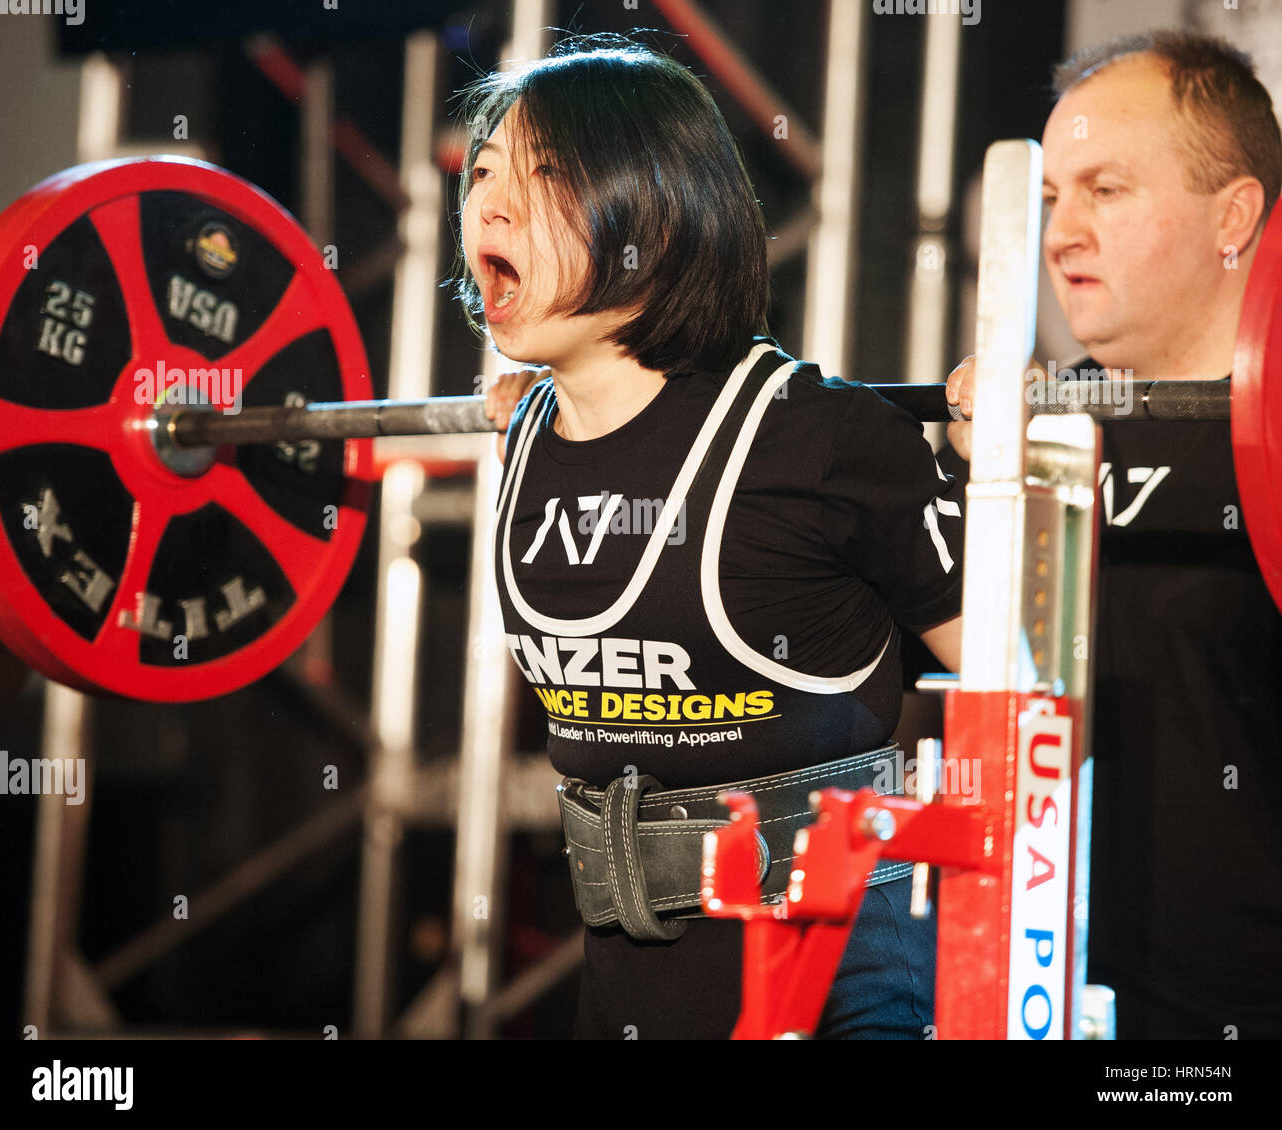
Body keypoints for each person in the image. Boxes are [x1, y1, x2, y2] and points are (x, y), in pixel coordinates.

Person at [457, 35, 963, 1039]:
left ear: (657, 208)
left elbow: (1028, 689)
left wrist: (1011, 477)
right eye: (481, 175)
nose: (489, 206)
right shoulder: (524, 436)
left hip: (840, 987)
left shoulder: (816, 437)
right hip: (625, 987)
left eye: (545, 175)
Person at [945, 30, 1282, 1039]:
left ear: (1233, 217)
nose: (1060, 233)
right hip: (1044, 1001)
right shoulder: (1022, 429)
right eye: (1051, 198)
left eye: (1104, 189)